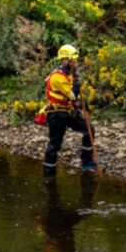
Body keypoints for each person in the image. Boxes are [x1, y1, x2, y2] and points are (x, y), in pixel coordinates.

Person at [37, 44, 97, 173]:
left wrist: (75, 77)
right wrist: (76, 86)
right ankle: (49, 172)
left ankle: (86, 162)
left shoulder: (69, 73)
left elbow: (73, 96)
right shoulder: (57, 77)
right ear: (66, 60)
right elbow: (71, 95)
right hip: (57, 114)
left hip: (68, 112)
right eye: (73, 60)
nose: (76, 62)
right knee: (55, 144)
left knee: (89, 130)